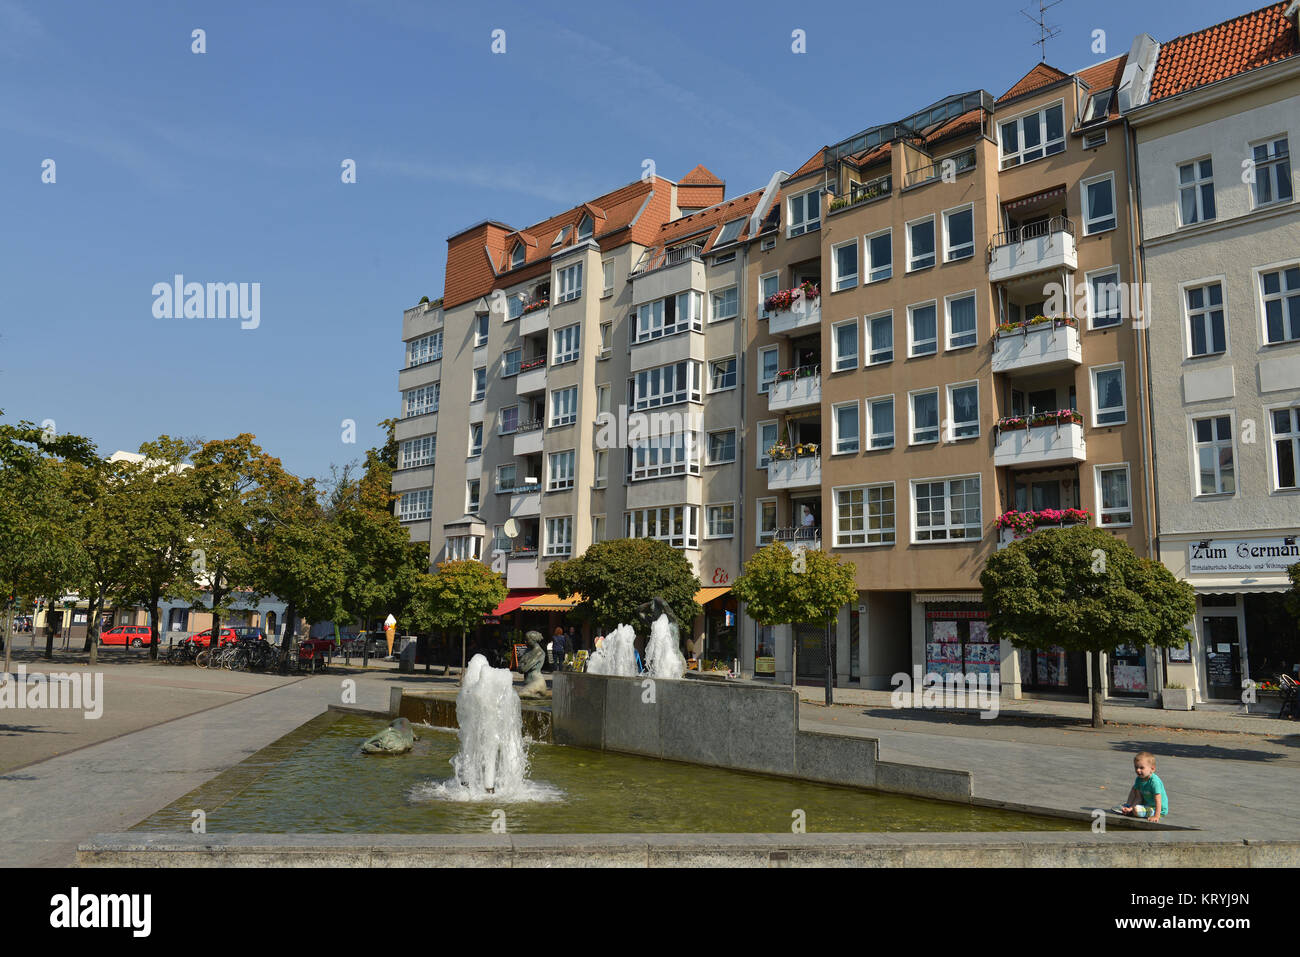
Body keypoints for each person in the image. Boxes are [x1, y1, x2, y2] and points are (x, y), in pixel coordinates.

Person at [1112, 751, 1168, 822]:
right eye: (1136, 767)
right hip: (1146, 805)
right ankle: (1128, 806)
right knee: (1134, 788)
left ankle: (1132, 811)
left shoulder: (1154, 782)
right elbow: (1138, 798)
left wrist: (1156, 816)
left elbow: (1158, 800)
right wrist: (1131, 807)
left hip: (1157, 810)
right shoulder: (1139, 779)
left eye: (1142, 768)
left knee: (1136, 810)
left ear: (1152, 769)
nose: (1138, 770)